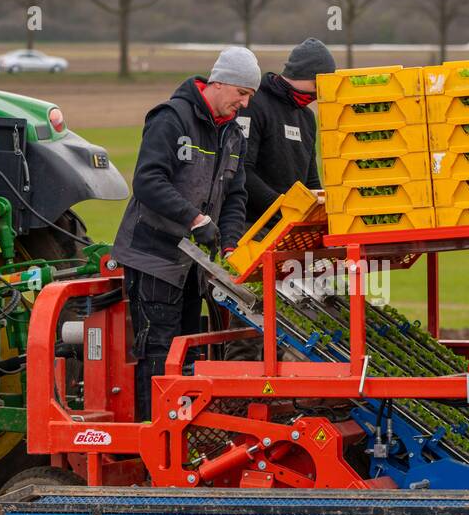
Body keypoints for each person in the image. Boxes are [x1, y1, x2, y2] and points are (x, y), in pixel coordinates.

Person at [110, 47, 259, 421]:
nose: (243, 105)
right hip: (154, 257)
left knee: (189, 351)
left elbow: (235, 193)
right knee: (159, 352)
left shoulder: (232, 134)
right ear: (219, 82)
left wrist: (228, 241)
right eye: (241, 94)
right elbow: (147, 181)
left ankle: (184, 435)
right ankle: (153, 437)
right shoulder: (171, 118)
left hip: (193, 265)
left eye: (249, 98)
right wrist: (195, 219)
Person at [239, 37, 337, 225]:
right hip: (252, 224)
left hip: (290, 223)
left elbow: (311, 181)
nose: (318, 95)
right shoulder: (254, 104)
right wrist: (282, 208)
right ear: (306, 75)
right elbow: (242, 171)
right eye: (318, 87)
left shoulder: (307, 117)